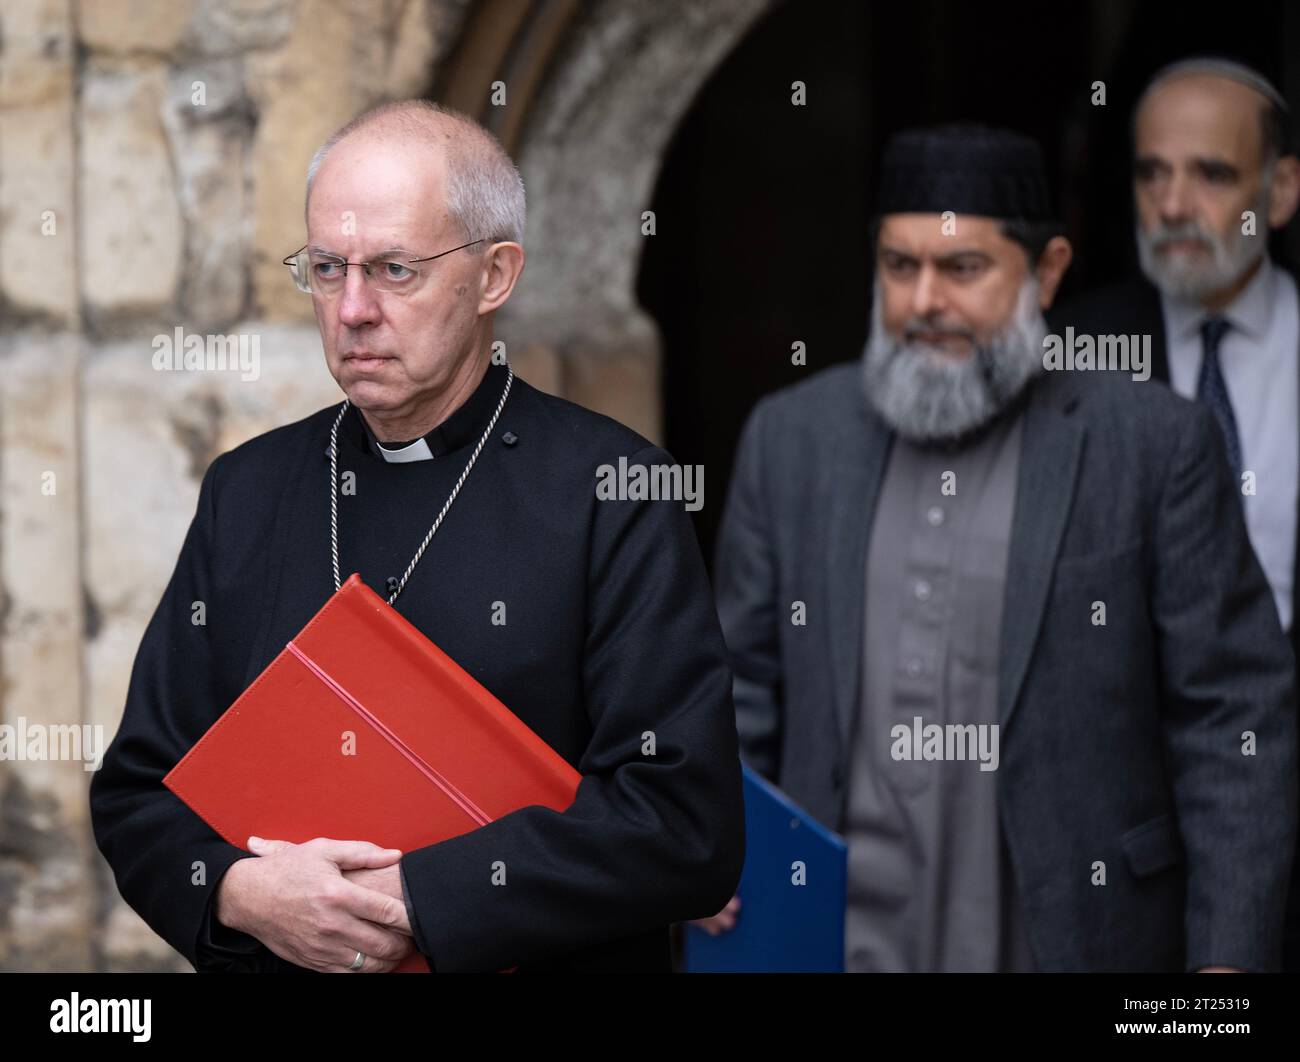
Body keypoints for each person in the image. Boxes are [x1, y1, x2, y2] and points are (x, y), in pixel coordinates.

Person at [90, 100, 744, 973]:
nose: (353, 308)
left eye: (395, 270)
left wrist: (419, 900)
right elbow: (138, 793)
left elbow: (682, 826)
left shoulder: (613, 492)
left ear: (495, 276)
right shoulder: (246, 493)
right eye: (327, 268)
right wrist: (241, 893)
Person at [702, 124, 1296, 971]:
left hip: (1076, 943)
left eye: (962, 268)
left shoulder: (1154, 446)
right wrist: (713, 833)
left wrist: (1227, 968)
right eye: (899, 266)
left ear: (1047, 272)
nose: (923, 303)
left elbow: (1233, 722)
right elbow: (739, 689)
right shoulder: (793, 438)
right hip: (834, 941)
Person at [1056, 57, 1300, 967]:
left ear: (1279, 191)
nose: (1172, 202)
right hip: (1124, 836)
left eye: (1210, 173)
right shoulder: (1068, 353)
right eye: (1152, 172)